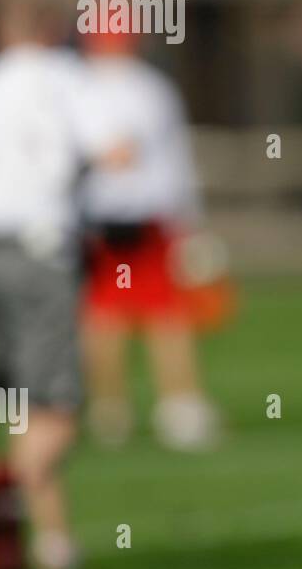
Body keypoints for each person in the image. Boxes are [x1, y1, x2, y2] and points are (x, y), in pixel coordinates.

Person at [0, 0, 129, 569]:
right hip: (42, 254)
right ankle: (16, 495)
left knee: (18, 402)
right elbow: (118, 152)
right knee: (58, 407)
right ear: (51, 29)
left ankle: (47, 534)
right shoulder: (66, 80)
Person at [76, 25, 219, 451]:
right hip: (149, 218)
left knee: (104, 315)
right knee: (166, 314)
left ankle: (108, 411)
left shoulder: (76, 87)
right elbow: (175, 163)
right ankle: (180, 408)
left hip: (97, 221)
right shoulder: (152, 88)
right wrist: (191, 223)